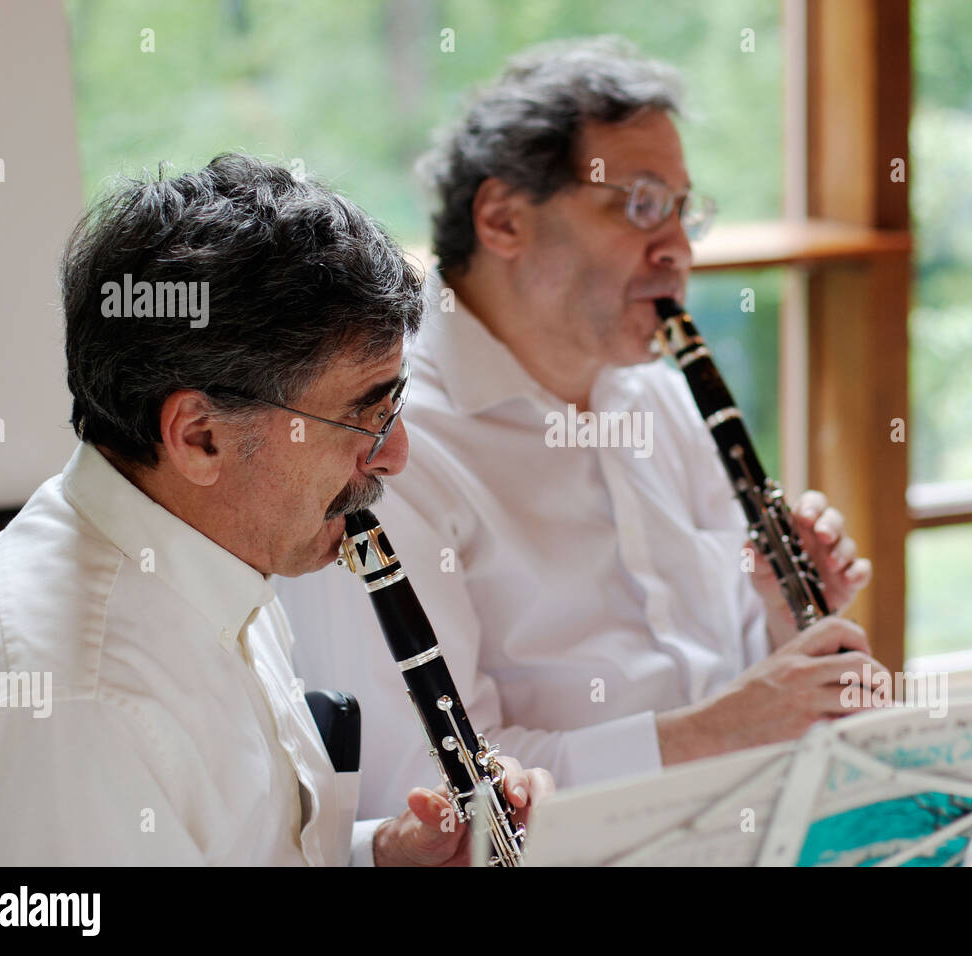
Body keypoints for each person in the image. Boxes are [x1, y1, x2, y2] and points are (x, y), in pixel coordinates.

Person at [276, 37, 890, 819]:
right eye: (638, 206)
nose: (676, 249)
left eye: (682, 211)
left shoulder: (661, 398)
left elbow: (730, 672)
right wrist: (724, 730)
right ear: (502, 220)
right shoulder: (385, 450)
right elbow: (424, 795)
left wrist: (779, 617)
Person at [0, 153, 552, 865]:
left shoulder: (207, 541)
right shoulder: (71, 708)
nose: (397, 456)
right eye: (367, 417)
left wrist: (385, 855)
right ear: (201, 437)